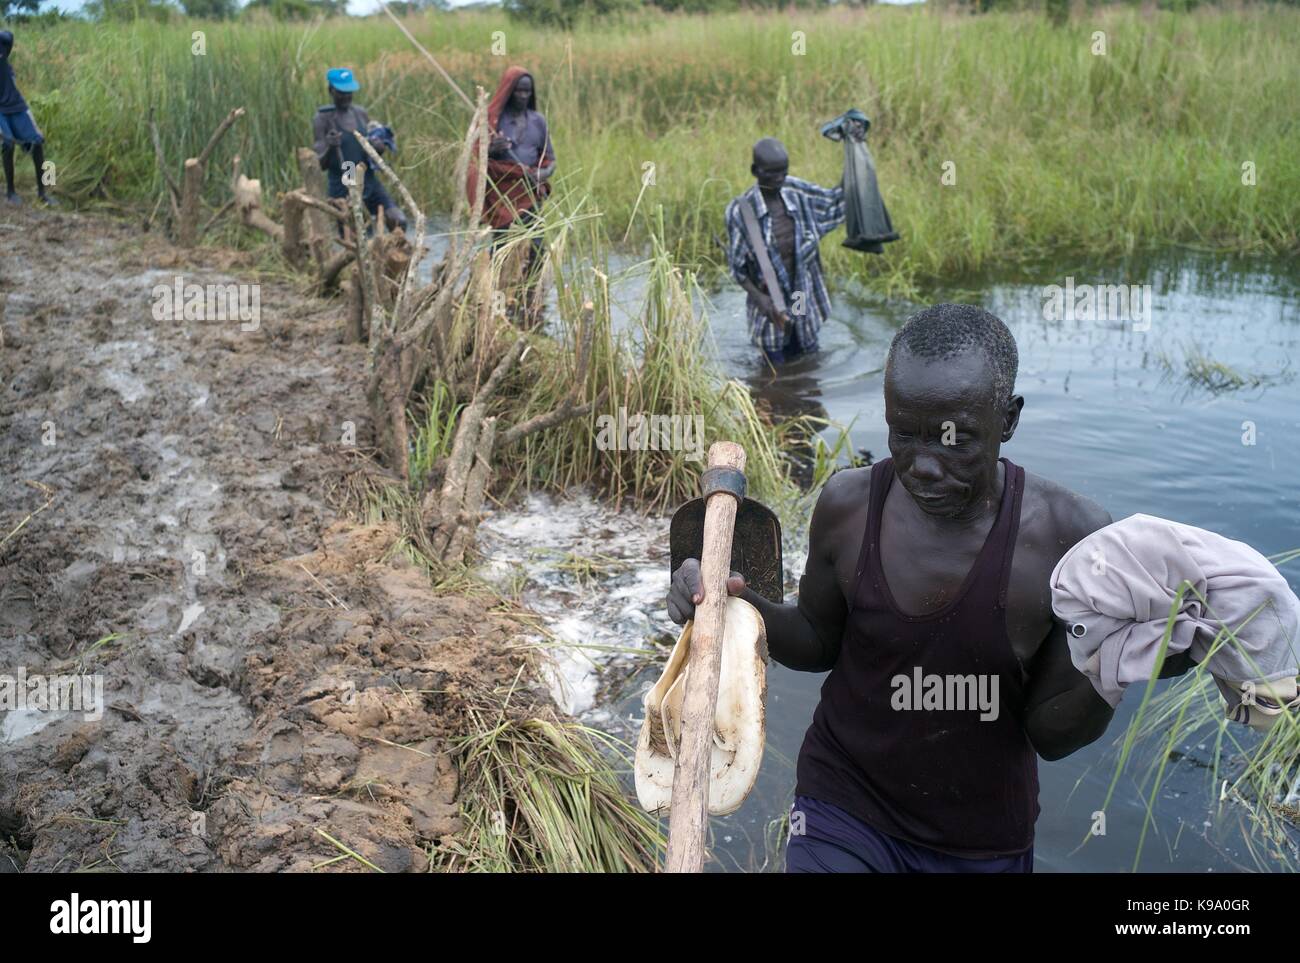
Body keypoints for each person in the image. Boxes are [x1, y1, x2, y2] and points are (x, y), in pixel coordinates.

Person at [667, 304, 1141, 873]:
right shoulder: (849, 506)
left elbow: (1052, 733)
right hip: (842, 805)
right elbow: (817, 639)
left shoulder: (1072, 540)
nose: (924, 466)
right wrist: (729, 603)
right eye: (903, 433)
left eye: (955, 441)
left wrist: (1123, 659)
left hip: (980, 840)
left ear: (1008, 420)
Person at [725, 138, 843, 365]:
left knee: (806, 356)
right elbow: (737, 269)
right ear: (755, 171)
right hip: (769, 300)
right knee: (773, 369)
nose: (779, 179)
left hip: (800, 294)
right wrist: (761, 300)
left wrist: (853, 151)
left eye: (783, 172)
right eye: (771, 174)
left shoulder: (796, 192)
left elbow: (834, 201)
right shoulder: (741, 212)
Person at [312, 67, 406, 233]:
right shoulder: (323, 119)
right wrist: (330, 146)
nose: (346, 96)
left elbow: (372, 149)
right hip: (343, 182)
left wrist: (378, 147)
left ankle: (398, 255)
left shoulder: (360, 113)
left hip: (367, 177)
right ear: (331, 91)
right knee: (359, 234)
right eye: (341, 92)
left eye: (349, 92)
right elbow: (320, 163)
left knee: (398, 220)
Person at [0, 30, 55, 207]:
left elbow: (8, 36)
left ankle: (44, 192)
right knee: (7, 144)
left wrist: (34, 124)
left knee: (38, 142)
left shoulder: (5, 59)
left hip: (17, 107)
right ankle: (10, 192)